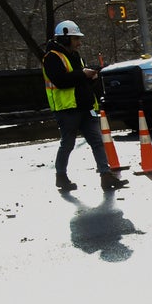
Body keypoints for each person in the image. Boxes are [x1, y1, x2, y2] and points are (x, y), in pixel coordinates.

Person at [42, 20, 128, 191]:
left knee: (97, 141)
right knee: (67, 143)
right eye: (75, 39)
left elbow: (79, 80)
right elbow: (61, 81)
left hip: (84, 106)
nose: (79, 42)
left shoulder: (75, 56)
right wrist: (83, 74)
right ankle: (61, 176)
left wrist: (91, 78)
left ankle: (105, 175)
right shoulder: (51, 57)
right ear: (65, 39)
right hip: (66, 109)